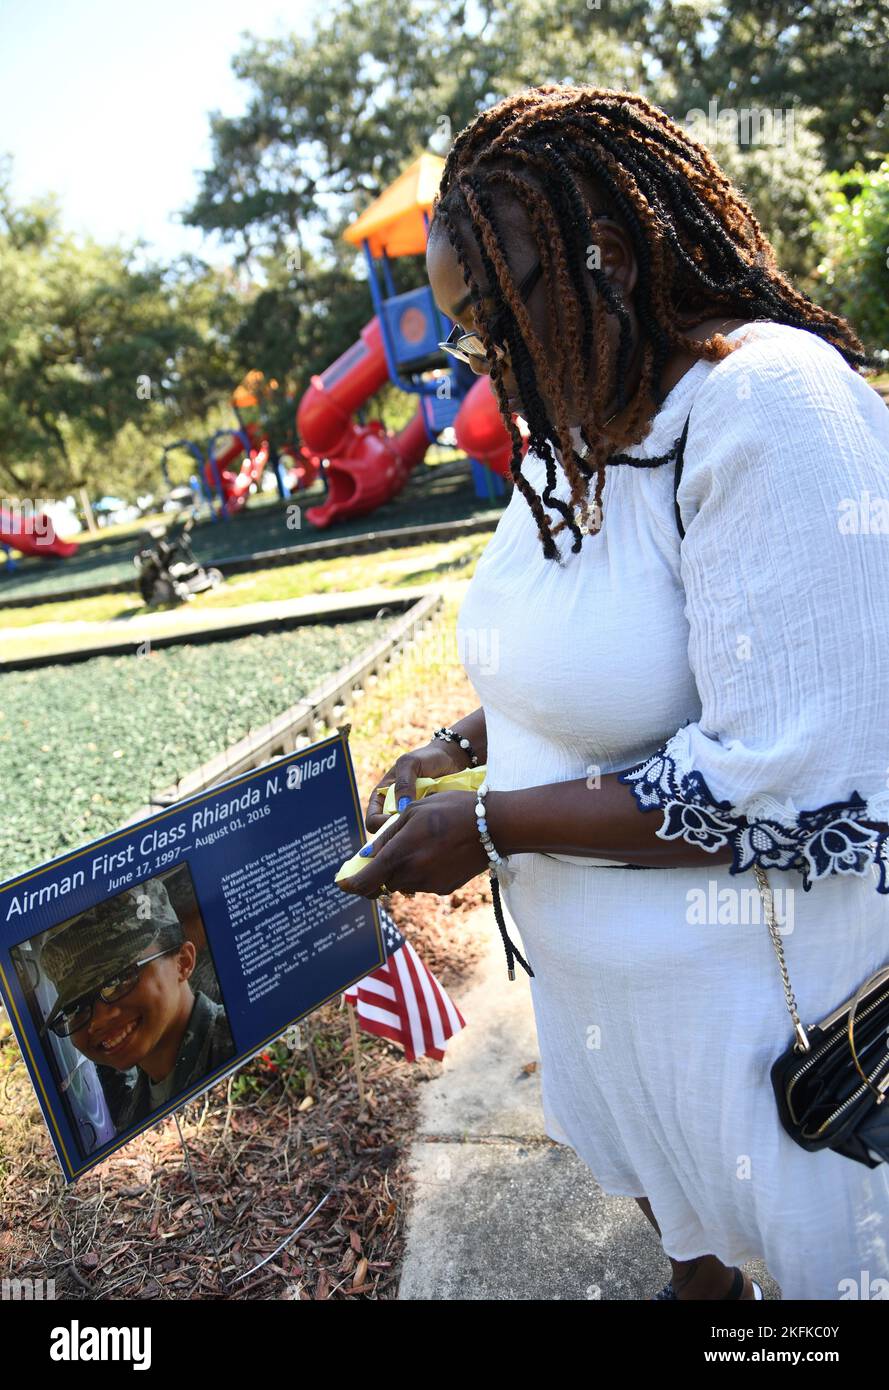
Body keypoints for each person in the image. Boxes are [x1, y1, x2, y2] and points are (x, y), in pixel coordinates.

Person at [337, 85, 889, 1301]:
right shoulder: (577, 437)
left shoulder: (766, 402)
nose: (484, 364)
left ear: (615, 253)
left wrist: (490, 825)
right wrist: (456, 742)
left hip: (766, 1029)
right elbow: (602, 654)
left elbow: (785, 778)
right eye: (462, 336)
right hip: (616, 1017)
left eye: (493, 317)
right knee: (696, 1275)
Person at [40, 879, 235, 1133]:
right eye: (75, 1008)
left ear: (183, 962)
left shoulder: (244, 1046)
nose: (97, 1021)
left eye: (118, 981)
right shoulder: (131, 1119)